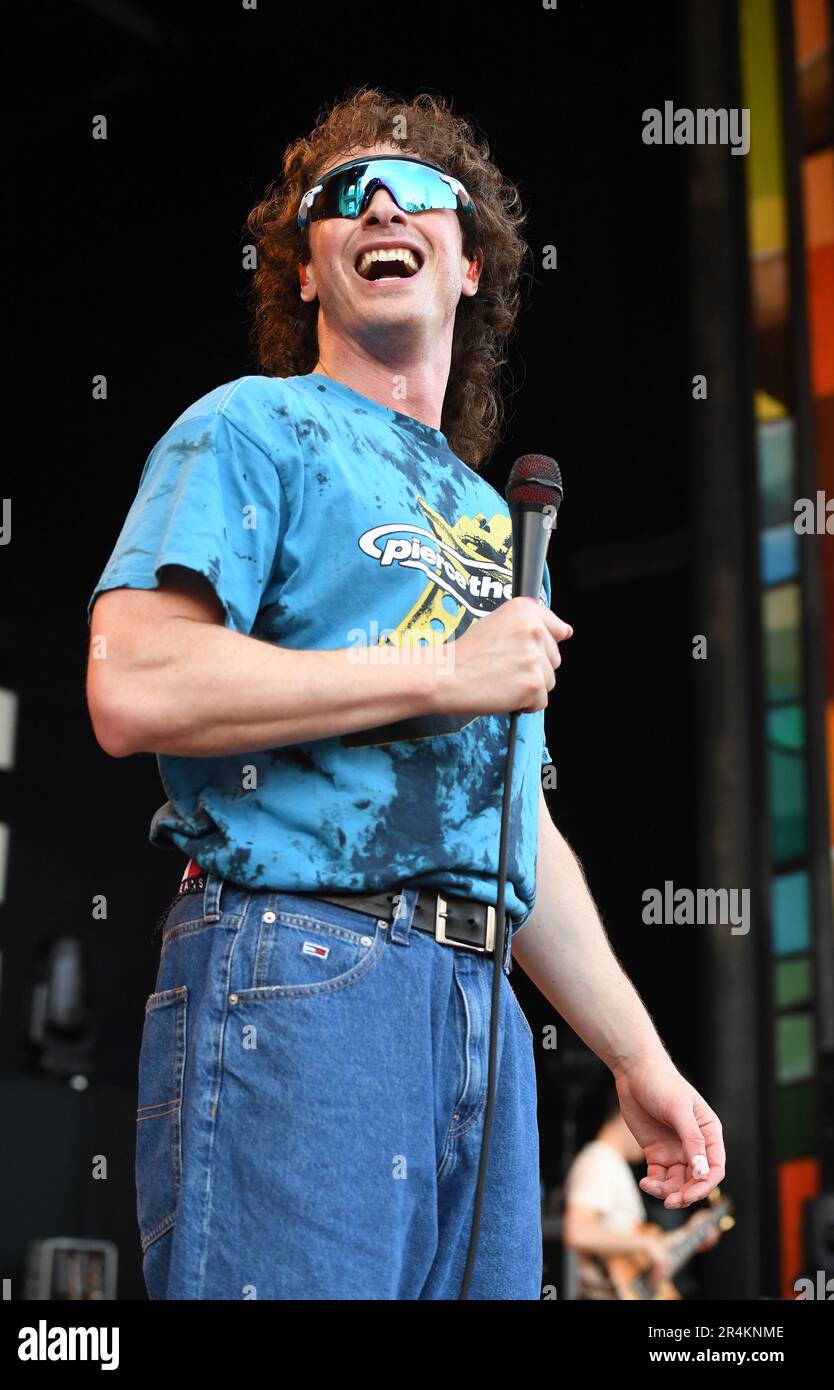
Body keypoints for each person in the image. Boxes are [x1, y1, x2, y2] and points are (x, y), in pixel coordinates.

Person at [85, 86, 725, 1301]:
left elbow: (509, 825)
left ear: (470, 264)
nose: (379, 201)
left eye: (417, 189)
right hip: (301, 966)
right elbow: (131, 681)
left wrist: (638, 1060)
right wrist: (441, 669)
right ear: (309, 272)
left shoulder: (495, 525)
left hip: (479, 1012)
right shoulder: (252, 427)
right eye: (341, 196)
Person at [564, 1096, 722, 1299]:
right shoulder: (599, 1159)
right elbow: (578, 1231)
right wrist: (645, 1244)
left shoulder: (613, 1164)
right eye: (655, 1127)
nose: (658, 1137)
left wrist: (687, 1234)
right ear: (628, 1115)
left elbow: (635, 1252)